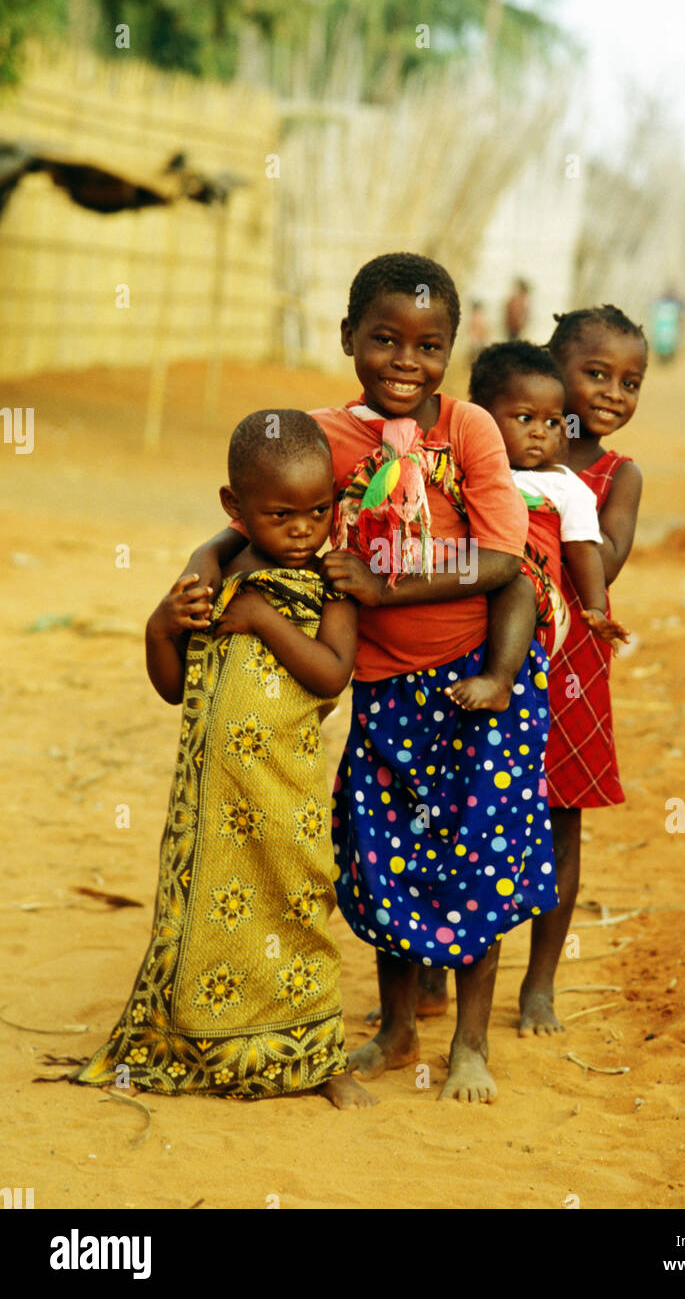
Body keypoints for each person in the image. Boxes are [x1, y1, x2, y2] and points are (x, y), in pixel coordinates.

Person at [182, 253, 558, 1104]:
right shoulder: (326, 435)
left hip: (475, 679)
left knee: (479, 860)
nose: (405, 361)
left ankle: (469, 1045)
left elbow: (501, 558)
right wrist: (204, 564)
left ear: (453, 351)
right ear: (349, 336)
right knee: (385, 859)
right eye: (384, 339)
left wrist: (391, 588)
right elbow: (253, 511)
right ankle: (395, 1029)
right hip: (387, 688)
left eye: (429, 345)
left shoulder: (469, 432)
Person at [72, 411, 373, 1108]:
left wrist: (264, 619)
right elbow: (175, 687)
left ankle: (321, 1059)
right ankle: (208, 1043)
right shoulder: (218, 574)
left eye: (318, 510)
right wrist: (160, 625)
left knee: (298, 911)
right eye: (280, 514)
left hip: (286, 793)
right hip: (212, 804)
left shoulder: (333, 581)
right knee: (209, 921)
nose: (303, 529)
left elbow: (332, 674)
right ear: (235, 508)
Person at [517, 304, 648, 1037]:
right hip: (493, 651)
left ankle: (540, 982)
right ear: (551, 367)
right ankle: (434, 970)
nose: (611, 393)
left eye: (630, 382)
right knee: (461, 804)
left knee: (559, 820)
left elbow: (609, 557)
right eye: (595, 372)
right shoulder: (501, 443)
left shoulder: (616, 475)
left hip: (571, 658)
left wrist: (559, 490)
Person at [445, 341, 629, 713]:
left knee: (512, 577)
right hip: (479, 587)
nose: (540, 432)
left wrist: (595, 608)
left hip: (537, 603)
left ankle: (499, 680)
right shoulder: (464, 464)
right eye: (525, 418)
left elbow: (582, 547)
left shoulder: (563, 485)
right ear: (481, 417)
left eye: (552, 422)